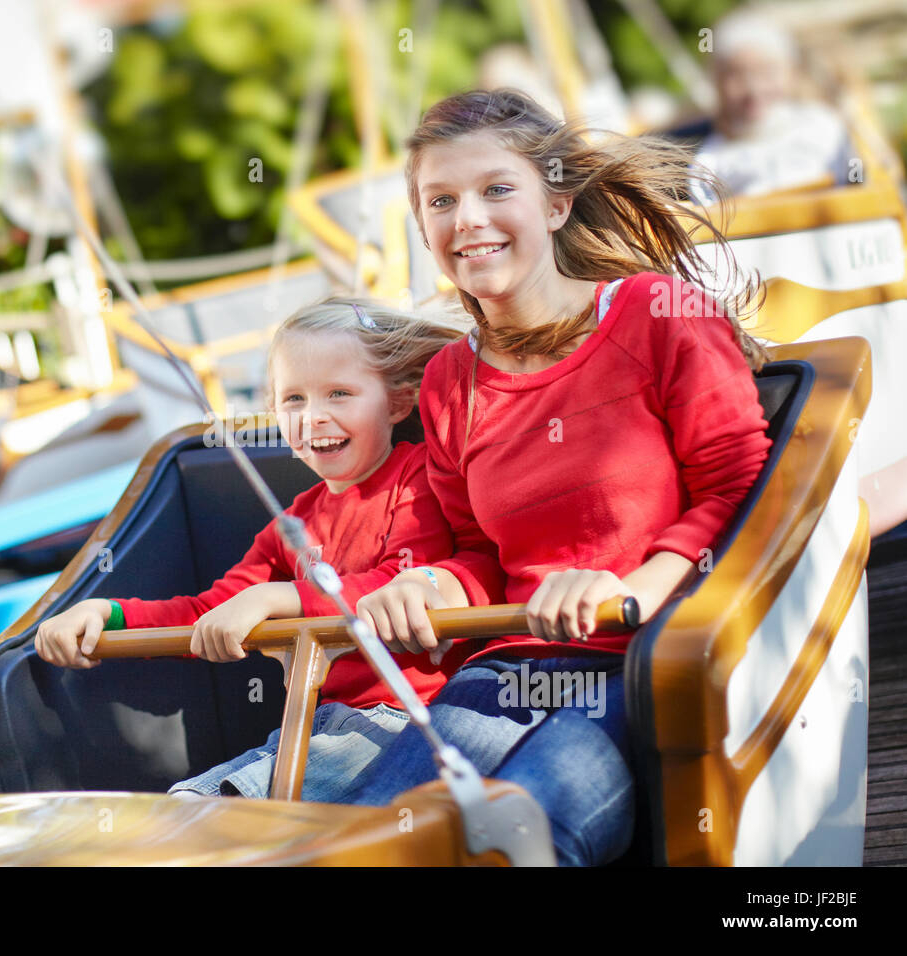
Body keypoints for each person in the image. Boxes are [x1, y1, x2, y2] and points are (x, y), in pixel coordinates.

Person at [340, 88, 773, 866]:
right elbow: (477, 552)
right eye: (441, 201)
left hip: (642, 668)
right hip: (497, 675)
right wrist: (430, 586)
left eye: (497, 189)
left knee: (516, 841)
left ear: (557, 204)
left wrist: (630, 586)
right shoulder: (447, 380)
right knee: (369, 843)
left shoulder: (658, 311)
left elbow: (739, 489)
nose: (467, 218)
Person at [34, 296, 504, 801]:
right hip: (318, 723)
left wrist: (279, 600)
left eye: (339, 394)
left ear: (395, 402)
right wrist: (108, 614)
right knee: (184, 807)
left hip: (401, 720)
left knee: (208, 809)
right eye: (293, 400)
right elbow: (207, 611)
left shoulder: (417, 479)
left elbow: (398, 585)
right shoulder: (293, 523)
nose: (312, 417)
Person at [689, 11, 856, 206]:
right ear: (717, 83)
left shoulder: (826, 128)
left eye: (766, 72)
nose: (754, 90)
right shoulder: (708, 165)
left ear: (791, 73)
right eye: (736, 76)